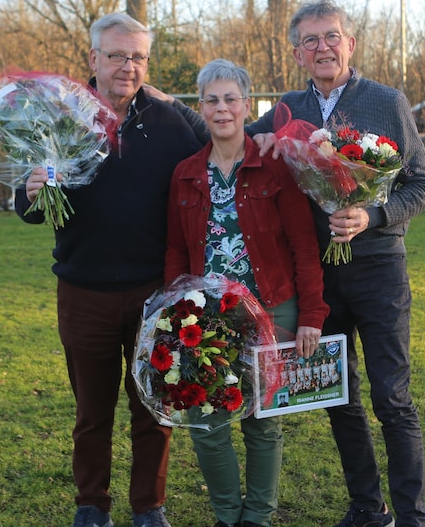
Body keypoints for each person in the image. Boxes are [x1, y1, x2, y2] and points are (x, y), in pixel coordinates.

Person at [247, 0, 425, 527]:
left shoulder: (386, 101)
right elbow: (227, 138)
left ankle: (412, 516)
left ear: (350, 44)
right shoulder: (286, 108)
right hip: (318, 277)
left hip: (379, 271)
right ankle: (366, 507)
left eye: (331, 36)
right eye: (310, 41)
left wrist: (373, 215)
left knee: (392, 398)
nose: (322, 47)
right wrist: (256, 139)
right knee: (338, 394)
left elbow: (424, 184)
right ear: (297, 53)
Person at [16, 12, 209, 527]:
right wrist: (31, 192)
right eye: (118, 55)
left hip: (155, 292)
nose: (128, 66)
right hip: (84, 289)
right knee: (92, 412)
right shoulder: (59, 116)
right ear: (93, 59)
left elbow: (218, 159)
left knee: (153, 408)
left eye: (138, 57)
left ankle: (149, 507)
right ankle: (92, 505)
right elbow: (29, 204)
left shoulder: (170, 122)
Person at [163, 58, 328, 527]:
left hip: (272, 308)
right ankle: (226, 515)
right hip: (205, 318)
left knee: (262, 421)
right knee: (205, 422)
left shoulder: (275, 166)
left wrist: (312, 314)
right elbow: (176, 250)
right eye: (212, 100)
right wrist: (176, 312)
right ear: (202, 107)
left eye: (230, 99)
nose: (222, 109)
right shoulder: (186, 174)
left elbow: (303, 245)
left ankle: (256, 517)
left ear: (246, 105)